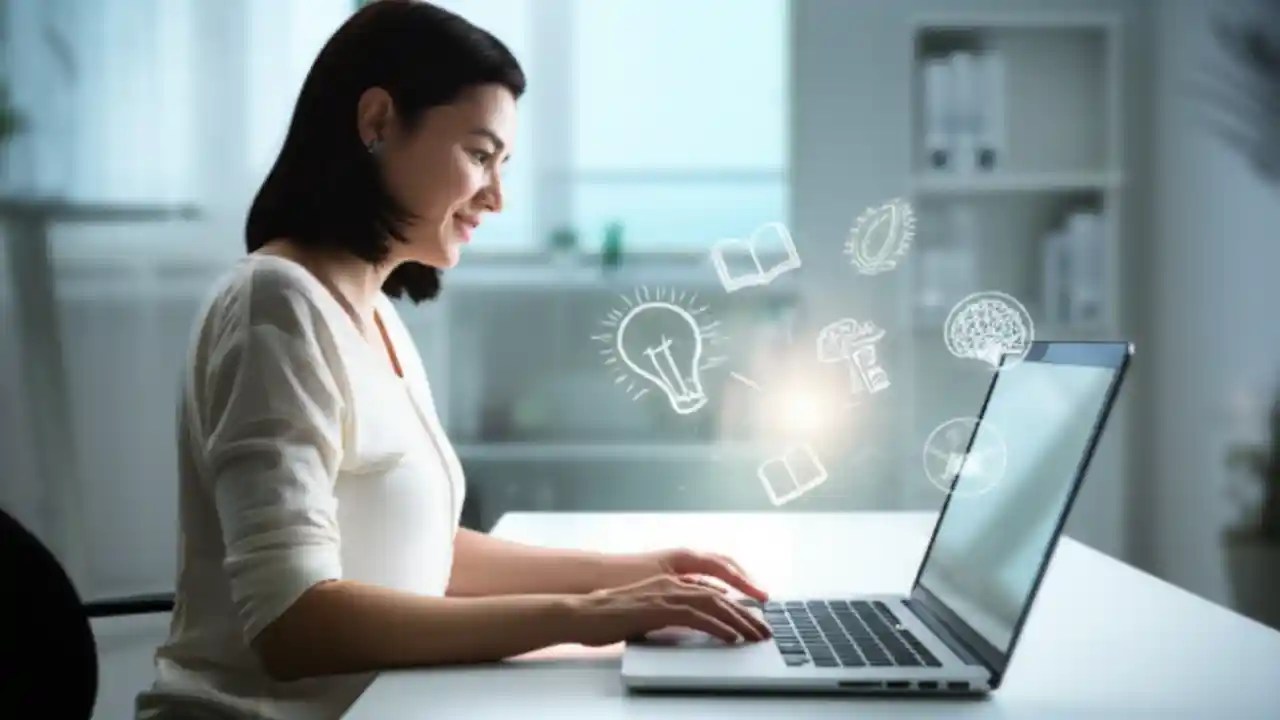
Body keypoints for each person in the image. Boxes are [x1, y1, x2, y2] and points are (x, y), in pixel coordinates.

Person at [136, 2, 770, 718]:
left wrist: (636, 576)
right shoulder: (273, 306)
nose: (496, 198)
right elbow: (294, 624)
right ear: (377, 123)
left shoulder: (370, 312)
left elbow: (416, 549)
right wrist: (583, 615)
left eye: (503, 164)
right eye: (479, 155)